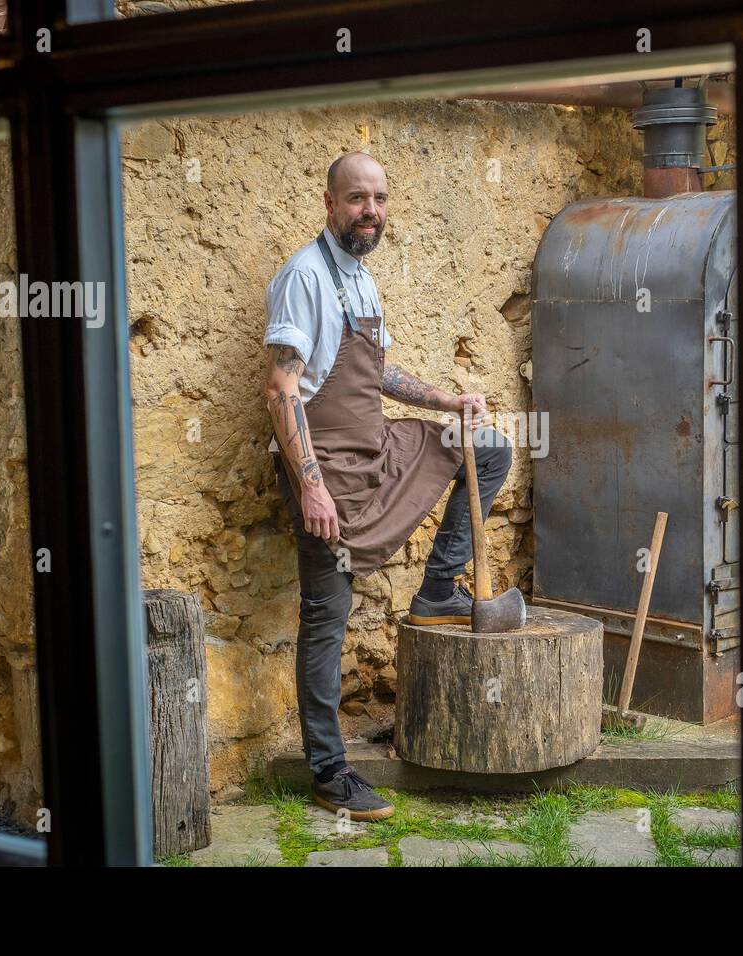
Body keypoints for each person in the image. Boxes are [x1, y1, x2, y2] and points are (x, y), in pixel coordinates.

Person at [263, 151, 513, 820]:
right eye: (356, 198)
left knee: (485, 449)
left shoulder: (362, 279)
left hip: (376, 447)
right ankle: (329, 771)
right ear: (329, 202)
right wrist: (311, 489)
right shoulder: (305, 277)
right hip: (326, 466)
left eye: (378, 198)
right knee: (327, 615)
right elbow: (282, 389)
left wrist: (448, 401)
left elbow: (379, 375)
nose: (369, 210)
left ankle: (436, 592)